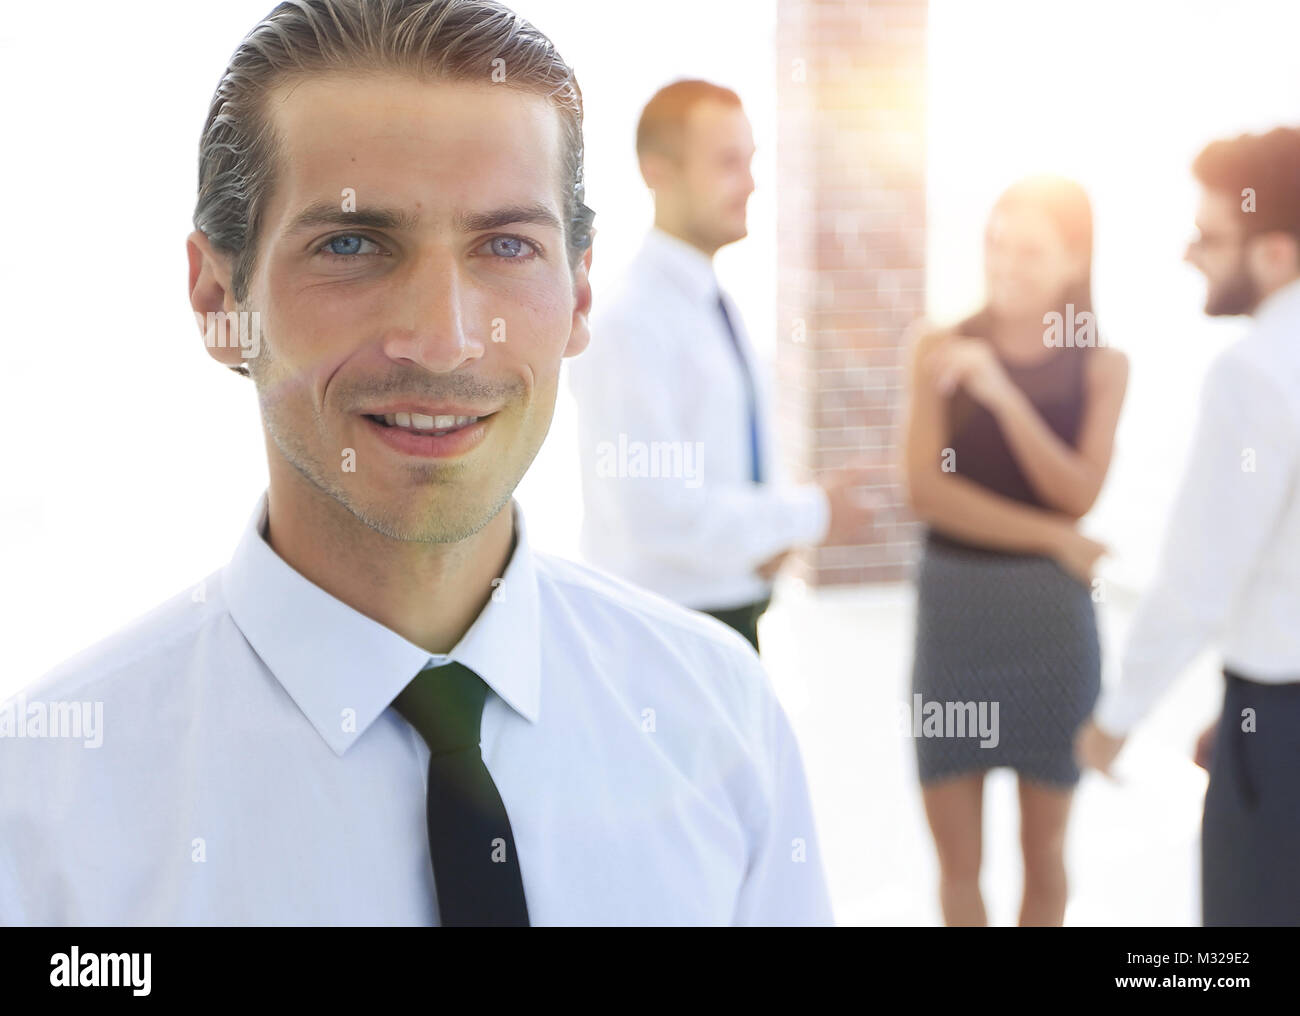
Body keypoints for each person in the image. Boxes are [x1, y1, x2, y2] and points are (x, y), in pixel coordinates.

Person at [0, 0, 833, 927]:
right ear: (215, 296)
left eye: (507, 245)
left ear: (580, 290)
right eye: (351, 245)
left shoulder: (724, 722)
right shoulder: (38, 814)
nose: (443, 341)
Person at [1077, 127, 1300, 927]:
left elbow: (1198, 580)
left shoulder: (1255, 372)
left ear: (1275, 253)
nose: (1186, 254)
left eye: (1207, 236)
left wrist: (1115, 720)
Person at [567, 79, 874, 653]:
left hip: (724, 620)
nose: (752, 182)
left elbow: (725, 463)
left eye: (751, 161)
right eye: (729, 162)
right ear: (657, 171)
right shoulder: (630, 322)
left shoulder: (715, 302)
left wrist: (772, 537)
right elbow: (656, 511)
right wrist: (811, 512)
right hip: (661, 636)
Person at [900, 176, 1129, 926]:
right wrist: (1054, 540)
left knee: (1046, 858)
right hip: (956, 623)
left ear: (1074, 261)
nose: (1005, 262)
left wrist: (1001, 393)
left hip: (1051, 636)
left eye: (1030, 250)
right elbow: (926, 492)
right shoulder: (938, 346)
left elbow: (1077, 492)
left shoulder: (1103, 365)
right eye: (996, 241)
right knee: (957, 865)